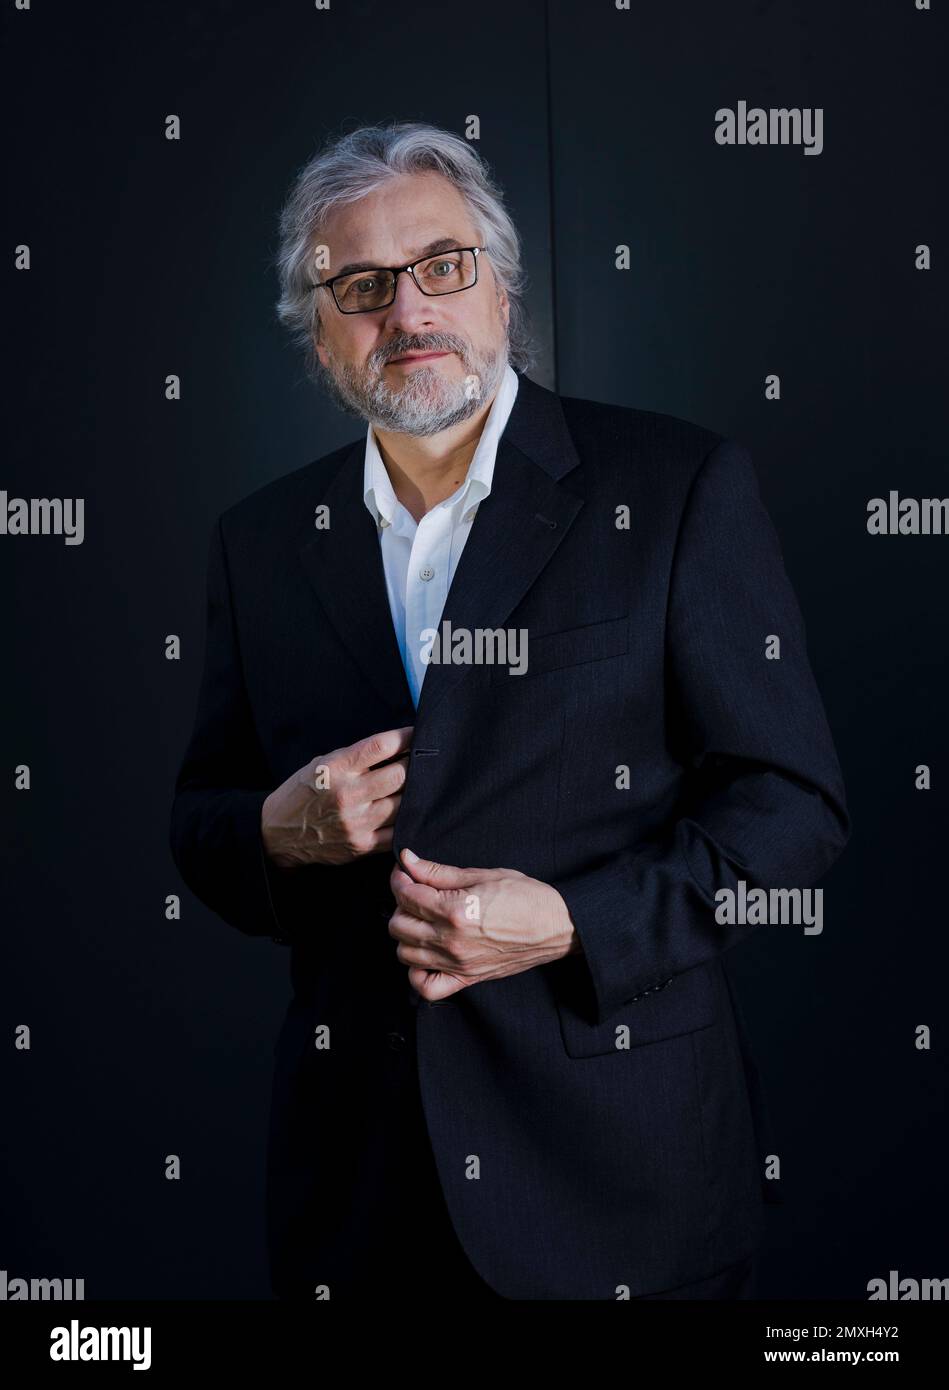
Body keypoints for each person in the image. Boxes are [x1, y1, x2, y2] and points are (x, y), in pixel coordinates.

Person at [169, 121, 849, 1301]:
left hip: (620, 1185)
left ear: (499, 286)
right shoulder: (261, 542)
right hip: (361, 1193)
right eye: (361, 285)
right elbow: (202, 822)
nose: (409, 310)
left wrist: (575, 923)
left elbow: (793, 809)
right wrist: (278, 831)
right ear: (317, 332)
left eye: (442, 265)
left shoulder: (674, 487)